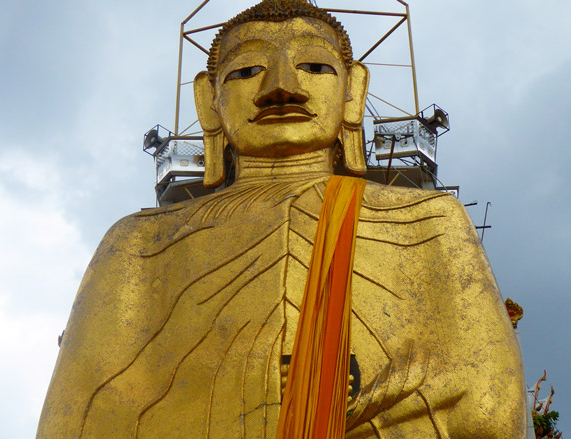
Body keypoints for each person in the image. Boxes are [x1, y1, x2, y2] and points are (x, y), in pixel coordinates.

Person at [37, 1, 526, 437]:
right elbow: (78, 420)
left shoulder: (427, 220)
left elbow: (486, 406)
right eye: (246, 71)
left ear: (353, 91)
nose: (280, 88)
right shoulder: (138, 244)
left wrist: (346, 411)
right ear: (208, 102)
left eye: (314, 66)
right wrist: (258, 395)